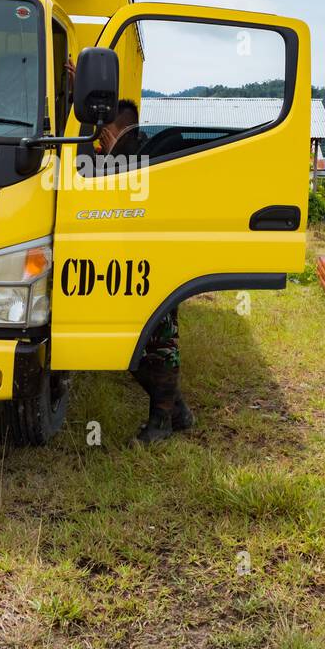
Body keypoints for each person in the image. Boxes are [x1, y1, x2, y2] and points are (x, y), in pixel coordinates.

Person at [93, 99, 193, 444]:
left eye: (103, 133)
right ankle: (177, 412)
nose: (99, 139)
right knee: (132, 347)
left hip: (156, 263)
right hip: (130, 263)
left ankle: (162, 422)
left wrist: (111, 155)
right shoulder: (125, 154)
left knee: (159, 344)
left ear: (117, 131)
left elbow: (125, 201)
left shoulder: (147, 159)